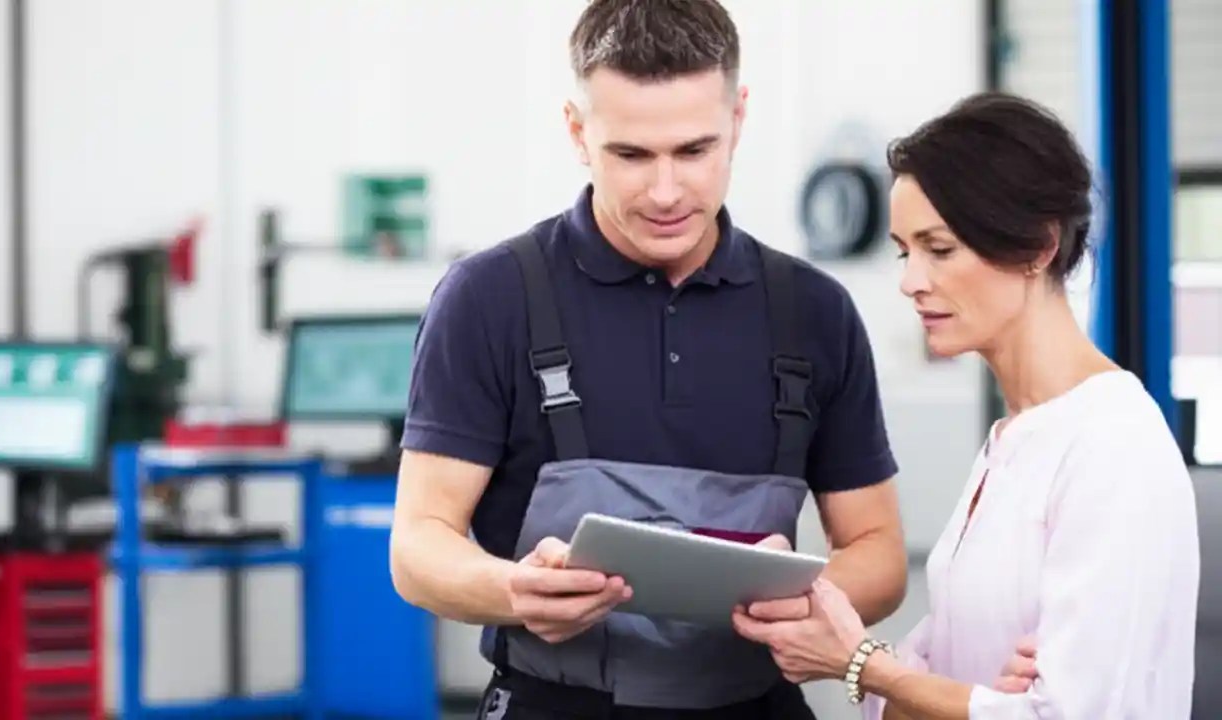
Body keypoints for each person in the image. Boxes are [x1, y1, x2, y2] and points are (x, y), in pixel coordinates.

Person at [388, 0, 909, 717]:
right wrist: (512, 590)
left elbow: (879, 551)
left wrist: (806, 600)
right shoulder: (488, 299)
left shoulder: (817, 312)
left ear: (738, 119)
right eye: (631, 155)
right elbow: (418, 546)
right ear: (578, 131)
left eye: (694, 151)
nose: (666, 193)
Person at [731, 92, 1201, 718]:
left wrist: (865, 665)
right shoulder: (1010, 441)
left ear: (1038, 246)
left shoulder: (1113, 442)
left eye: (940, 249)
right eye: (906, 251)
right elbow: (925, 688)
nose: (911, 282)